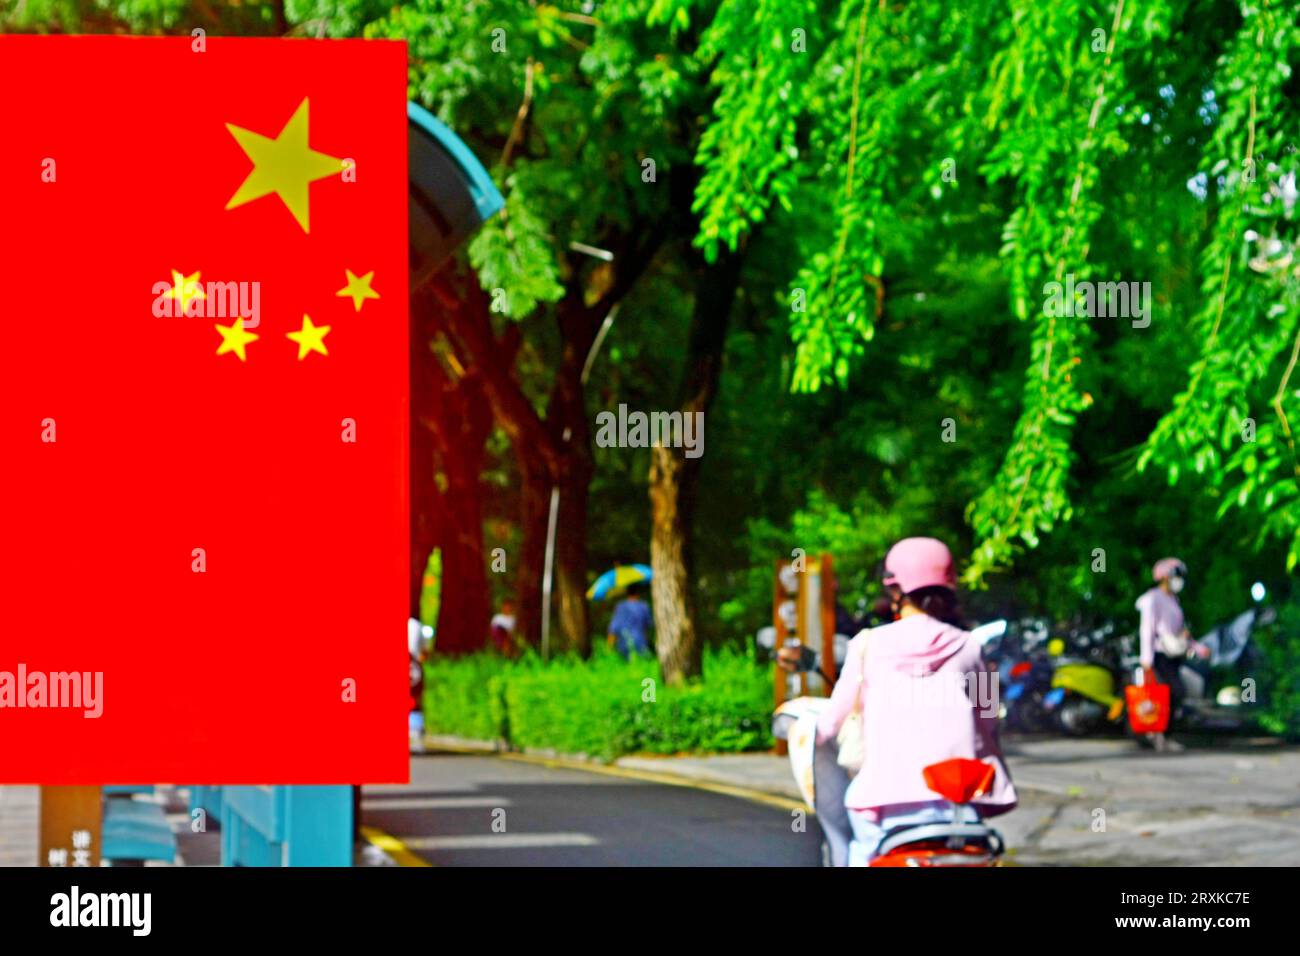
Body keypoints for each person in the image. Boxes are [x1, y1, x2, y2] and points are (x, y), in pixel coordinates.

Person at [814, 537, 1017, 865]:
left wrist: (809, 729)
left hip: (881, 808)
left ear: (894, 590)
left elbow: (828, 725)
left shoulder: (867, 646)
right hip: (959, 807)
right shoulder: (971, 647)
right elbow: (989, 720)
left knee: (856, 851)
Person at [1135, 557, 1209, 749]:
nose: (1179, 581)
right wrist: (1146, 661)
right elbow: (1147, 630)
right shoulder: (1152, 599)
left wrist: (1198, 648)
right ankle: (1157, 735)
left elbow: (1180, 632)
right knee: (1169, 694)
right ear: (1165, 577)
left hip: (1175, 655)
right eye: (1176, 576)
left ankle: (1164, 736)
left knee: (1172, 695)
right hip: (1159, 657)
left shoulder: (1173, 600)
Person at [607, 582, 653, 659]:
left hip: (624, 645)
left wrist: (609, 649)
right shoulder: (644, 606)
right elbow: (647, 627)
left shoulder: (620, 607)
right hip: (640, 644)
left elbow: (613, 629)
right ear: (638, 593)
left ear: (627, 593)